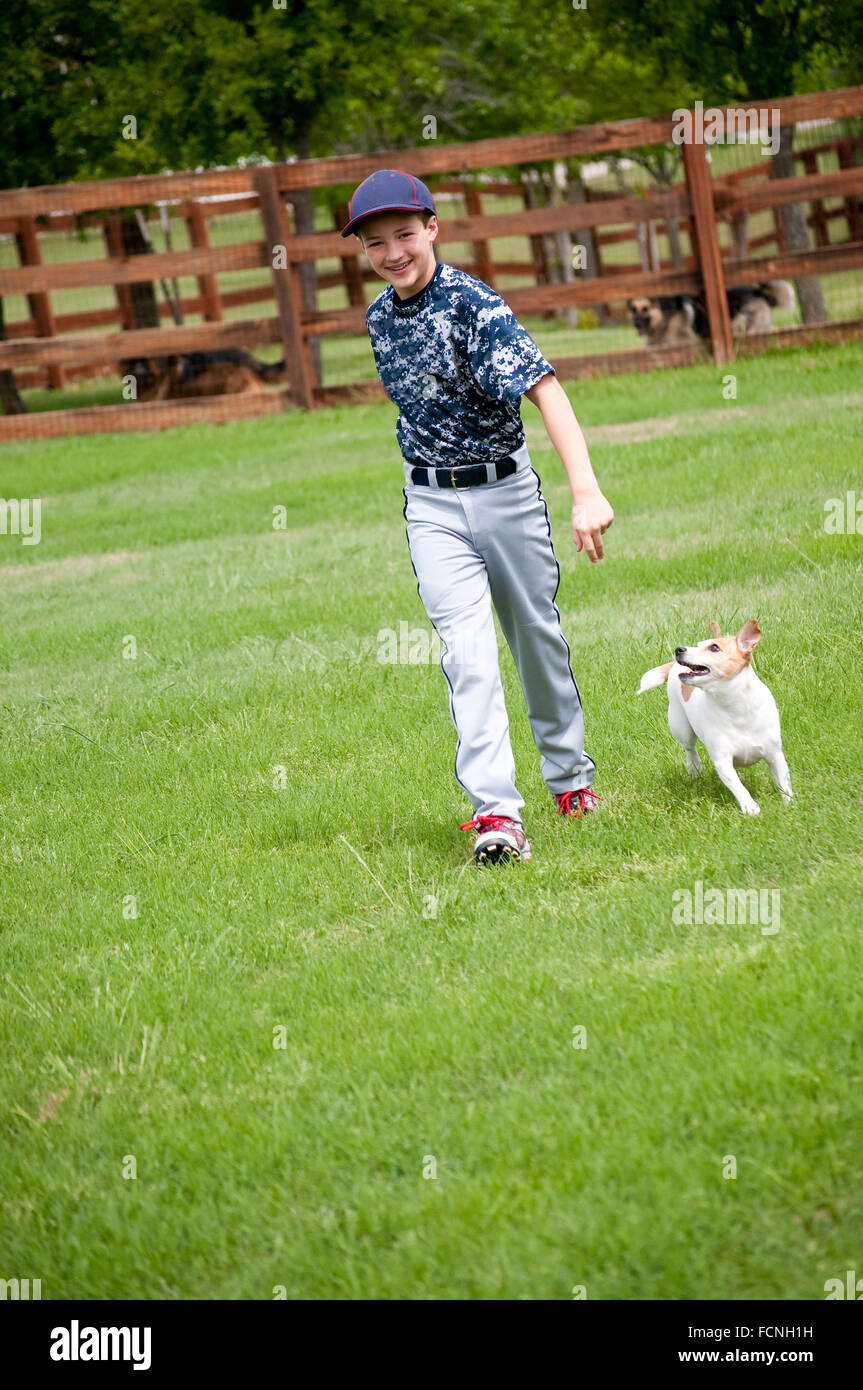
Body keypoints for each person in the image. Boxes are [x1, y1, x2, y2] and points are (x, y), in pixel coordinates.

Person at [342, 169, 614, 865]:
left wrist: (584, 493)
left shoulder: (473, 306)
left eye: (404, 235)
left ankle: (569, 778)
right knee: (466, 656)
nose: (393, 252)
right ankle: (496, 815)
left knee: (534, 639)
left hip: (504, 496)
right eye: (377, 243)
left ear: (432, 227)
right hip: (430, 504)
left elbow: (545, 390)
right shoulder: (377, 318)